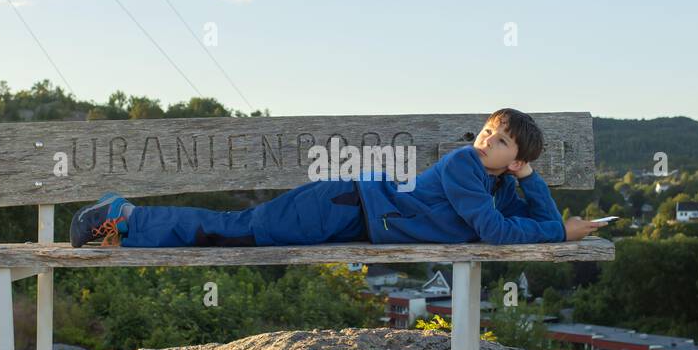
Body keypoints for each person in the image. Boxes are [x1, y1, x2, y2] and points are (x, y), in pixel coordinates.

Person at [69, 108, 611, 248]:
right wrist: (562, 233)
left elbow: (531, 222)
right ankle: (124, 218)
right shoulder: (464, 167)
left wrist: (531, 179)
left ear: (514, 160)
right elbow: (498, 234)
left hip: (359, 222)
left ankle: (124, 223)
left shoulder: (498, 186)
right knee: (236, 230)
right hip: (344, 204)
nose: (485, 140)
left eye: (501, 141)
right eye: (487, 131)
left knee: (237, 230)